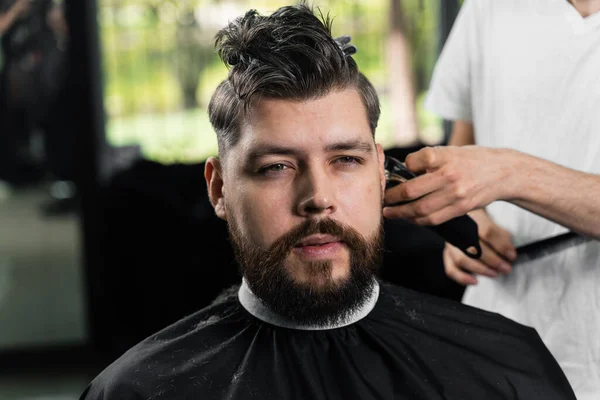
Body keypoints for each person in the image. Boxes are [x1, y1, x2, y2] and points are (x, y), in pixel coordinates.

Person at [80, 4, 576, 399]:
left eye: (345, 160)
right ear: (219, 190)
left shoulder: (506, 368)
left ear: (382, 171)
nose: (318, 199)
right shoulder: (137, 391)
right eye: (276, 167)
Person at [382, 0, 600, 398]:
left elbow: (494, 170)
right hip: (496, 338)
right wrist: (468, 224)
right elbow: (463, 145)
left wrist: (511, 174)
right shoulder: (487, 7)